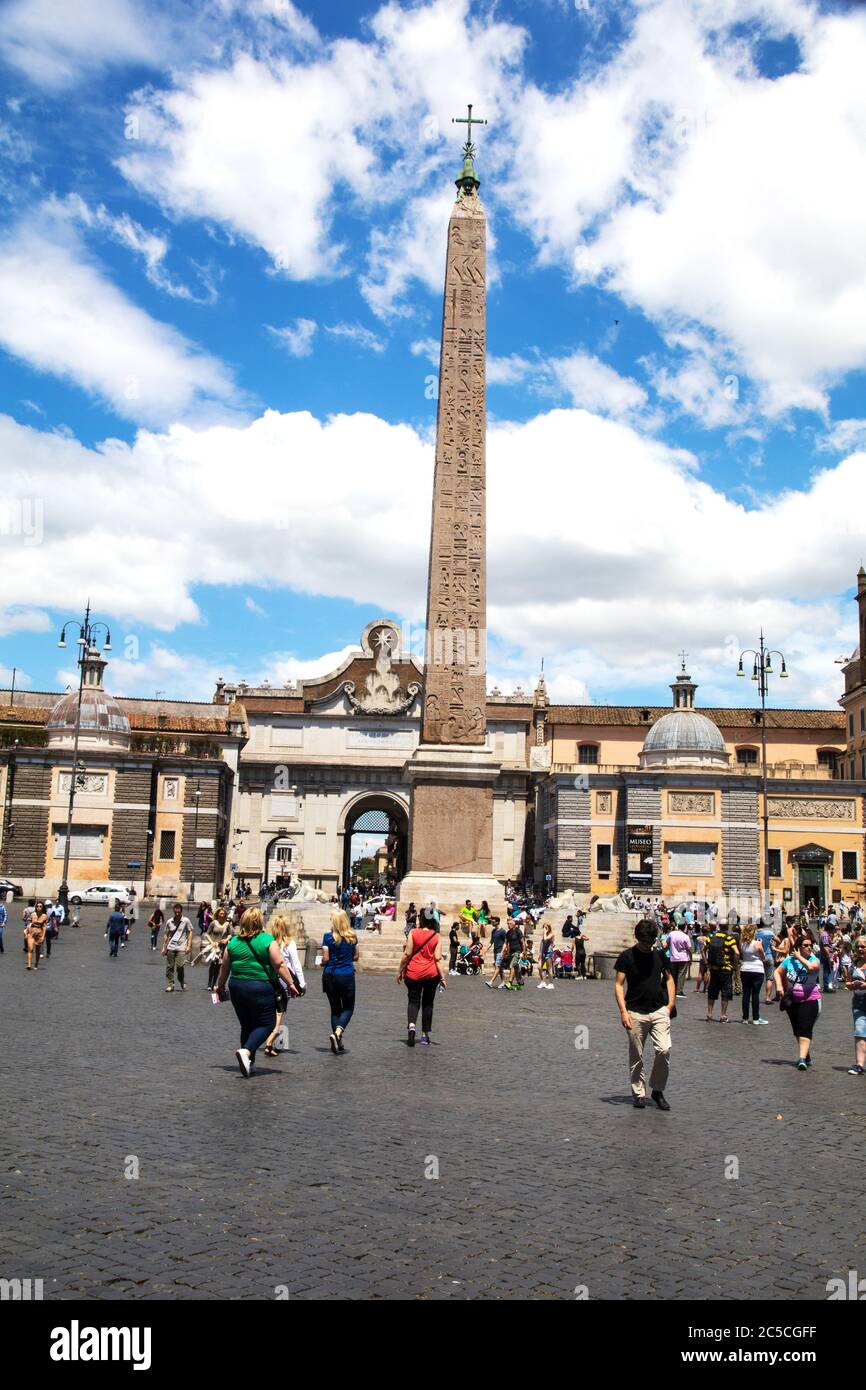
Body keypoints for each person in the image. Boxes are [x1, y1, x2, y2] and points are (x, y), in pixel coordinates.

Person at [215, 907, 298, 1076]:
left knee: (246, 1025)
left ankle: (249, 1063)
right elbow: (279, 964)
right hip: (260, 986)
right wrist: (290, 983)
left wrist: (220, 986)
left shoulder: (234, 942)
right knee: (267, 1025)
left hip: (237, 986)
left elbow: (225, 966)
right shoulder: (267, 940)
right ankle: (246, 1051)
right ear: (259, 921)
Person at [614, 920, 675, 1110]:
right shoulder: (626, 957)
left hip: (658, 1010)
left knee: (664, 1049)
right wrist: (623, 1012)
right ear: (637, 938)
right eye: (644, 943)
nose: (648, 946)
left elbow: (670, 978)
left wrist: (670, 1005)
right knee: (637, 1056)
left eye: (650, 942)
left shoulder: (659, 955)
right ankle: (639, 1093)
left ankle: (657, 1090)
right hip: (634, 1012)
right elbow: (618, 984)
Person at [397, 905, 446, 1046]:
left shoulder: (413, 932)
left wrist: (400, 970)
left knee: (413, 1001)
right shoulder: (436, 936)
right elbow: (437, 958)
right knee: (428, 1003)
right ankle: (425, 1035)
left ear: (422, 919)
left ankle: (411, 1026)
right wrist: (442, 977)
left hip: (413, 973)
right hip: (431, 974)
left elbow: (407, 954)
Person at [774, 925, 821, 1071]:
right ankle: (805, 1054)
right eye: (805, 945)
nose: (809, 948)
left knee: (805, 1028)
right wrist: (780, 986)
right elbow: (777, 972)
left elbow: (811, 968)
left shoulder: (814, 959)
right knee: (797, 1030)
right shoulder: (789, 960)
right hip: (793, 1000)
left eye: (810, 945)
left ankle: (801, 1059)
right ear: (799, 946)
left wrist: (799, 957)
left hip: (811, 1000)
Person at [263, 913, 306, 1057]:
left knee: (272, 1009)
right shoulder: (289, 943)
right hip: (284, 980)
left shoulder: (269, 942)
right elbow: (296, 964)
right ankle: (269, 1042)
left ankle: (274, 1042)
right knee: (280, 1012)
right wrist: (301, 983)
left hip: (270, 979)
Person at [321, 909, 359, 1054]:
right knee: (348, 1008)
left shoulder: (327, 937)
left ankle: (338, 1041)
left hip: (330, 975)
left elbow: (325, 958)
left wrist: (321, 964)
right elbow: (356, 956)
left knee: (335, 1009)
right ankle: (337, 1034)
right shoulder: (352, 937)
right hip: (347, 975)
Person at [705, 922, 739, 1022]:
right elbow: (737, 952)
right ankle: (723, 1016)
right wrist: (734, 965)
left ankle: (709, 1014)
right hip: (726, 969)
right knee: (725, 992)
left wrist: (707, 962)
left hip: (714, 969)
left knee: (712, 992)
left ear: (719, 926)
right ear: (727, 927)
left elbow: (703, 949)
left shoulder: (711, 937)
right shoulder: (729, 939)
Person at [842, 937, 866, 1075]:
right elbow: (847, 982)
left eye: (863, 947)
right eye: (858, 947)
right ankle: (859, 1065)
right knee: (860, 1031)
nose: (860, 949)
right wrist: (851, 985)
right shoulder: (854, 965)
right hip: (859, 1004)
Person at [161, 902, 194, 992]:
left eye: (178, 912)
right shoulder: (169, 921)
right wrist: (164, 947)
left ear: (181, 911)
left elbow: (190, 931)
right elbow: (166, 934)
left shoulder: (186, 920)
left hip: (181, 947)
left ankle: (182, 981)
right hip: (171, 947)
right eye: (175, 912)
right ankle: (170, 984)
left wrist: (189, 945)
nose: (177, 914)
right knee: (169, 967)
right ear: (173, 911)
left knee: (180, 966)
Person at [739, 924, 768, 1025]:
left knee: (746, 994)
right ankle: (756, 1018)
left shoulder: (742, 944)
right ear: (753, 932)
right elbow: (763, 957)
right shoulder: (757, 943)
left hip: (745, 969)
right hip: (757, 970)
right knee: (755, 994)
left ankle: (745, 1018)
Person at [666, 921, 692, 997]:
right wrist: (690, 958)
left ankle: (672, 990)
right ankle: (679, 991)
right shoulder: (685, 936)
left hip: (673, 958)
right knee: (681, 975)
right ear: (684, 927)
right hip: (683, 958)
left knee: (673, 974)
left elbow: (667, 944)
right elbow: (689, 949)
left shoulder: (671, 934)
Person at [756, 918, 777, 1003]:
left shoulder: (754, 933)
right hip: (768, 956)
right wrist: (772, 944)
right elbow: (778, 940)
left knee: (757, 978)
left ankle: (755, 996)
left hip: (758, 957)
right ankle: (768, 998)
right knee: (769, 978)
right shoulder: (769, 933)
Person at [503, 917, 525, 991]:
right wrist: (503, 952)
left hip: (518, 951)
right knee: (516, 968)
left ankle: (509, 983)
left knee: (512, 965)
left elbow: (523, 942)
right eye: (508, 924)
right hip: (511, 952)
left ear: (514, 924)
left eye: (510, 923)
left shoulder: (518, 931)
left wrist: (523, 952)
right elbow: (506, 943)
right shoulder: (508, 933)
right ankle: (520, 982)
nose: (508, 925)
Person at [25, 900, 48, 970]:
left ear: (42, 907)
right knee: (30, 949)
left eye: (40, 906)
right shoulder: (33, 914)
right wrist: (26, 932)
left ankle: (36, 964)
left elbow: (44, 927)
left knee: (37, 950)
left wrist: (43, 936)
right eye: (37, 906)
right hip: (31, 933)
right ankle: (29, 964)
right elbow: (28, 923)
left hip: (39, 934)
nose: (39, 908)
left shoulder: (44, 916)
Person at [486, 918, 507, 988]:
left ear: (497, 922)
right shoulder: (493, 931)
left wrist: (503, 952)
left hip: (500, 951)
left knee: (497, 966)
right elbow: (491, 941)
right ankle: (503, 982)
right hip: (495, 951)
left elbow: (506, 942)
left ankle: (491, 982)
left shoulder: (502, 931)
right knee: (500, 968)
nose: (492, 923)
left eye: (493, 922)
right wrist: (486, 949)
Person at [537, 920, 555, 989]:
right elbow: (542, 944)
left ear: (549, 928)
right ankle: (542, 982)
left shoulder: (551, 934)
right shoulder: (544, 934)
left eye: (546, 927)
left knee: (549, 968)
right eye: (544, 927)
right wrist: (540, 953)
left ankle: (551, 983)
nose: (544, 929)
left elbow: (545, 940)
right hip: (543, 952)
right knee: (539, 967)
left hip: (549, 952)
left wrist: (545, 932)